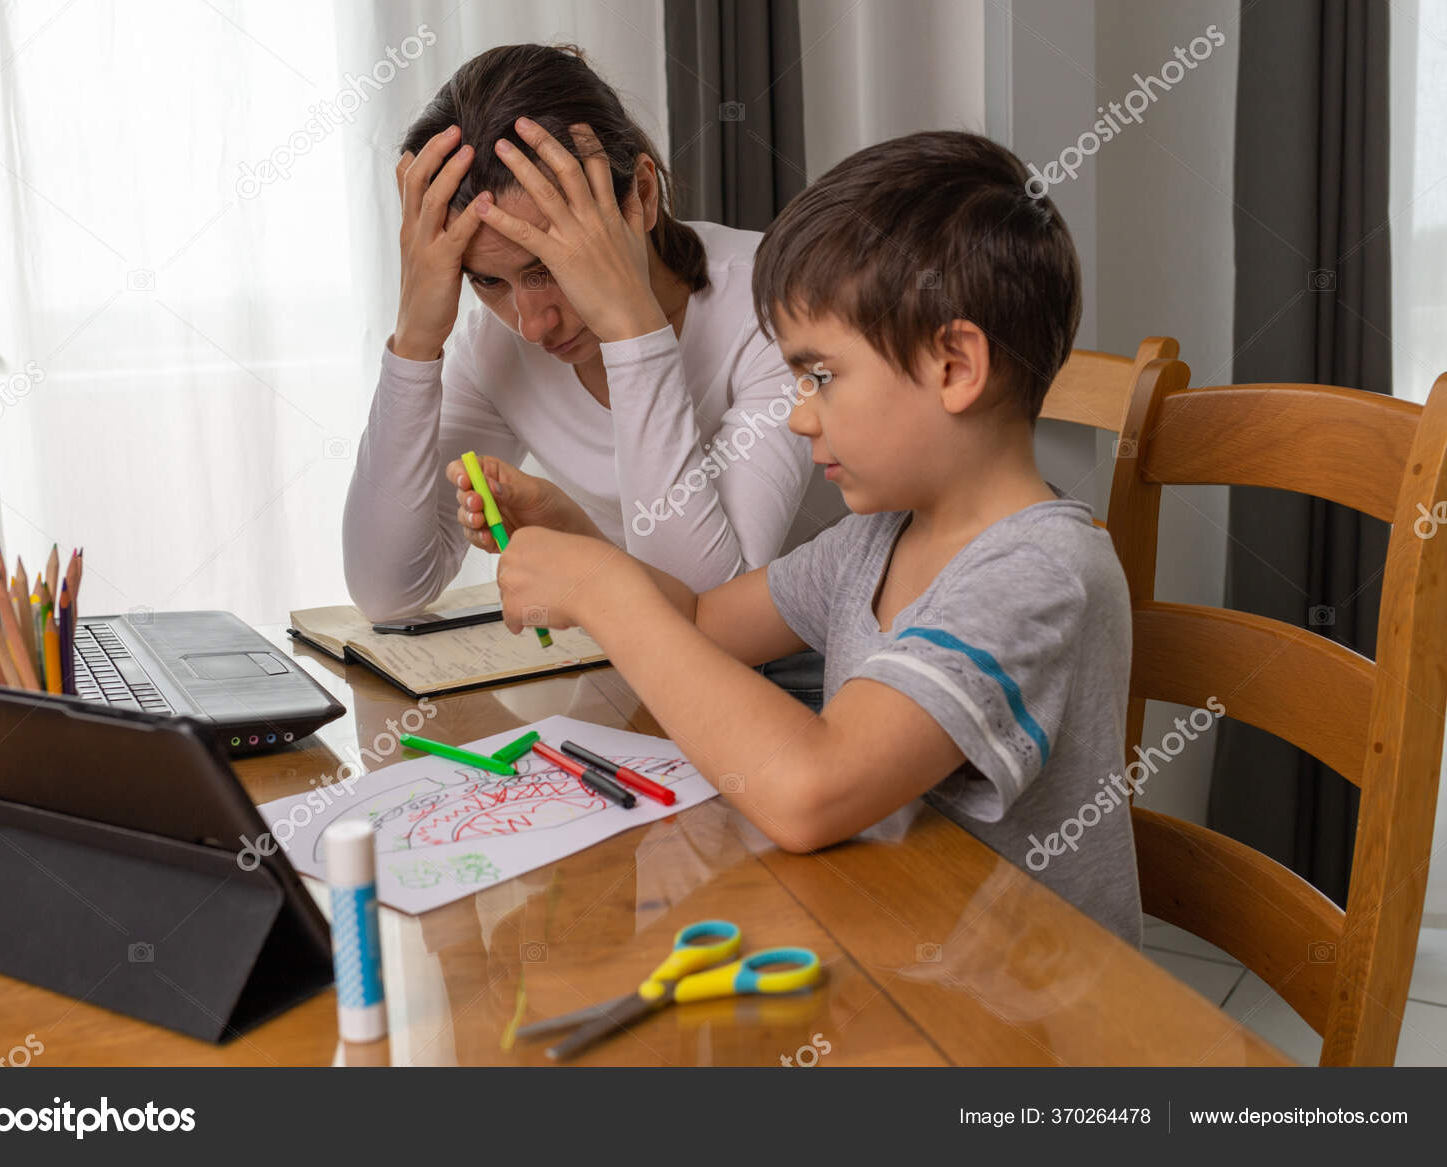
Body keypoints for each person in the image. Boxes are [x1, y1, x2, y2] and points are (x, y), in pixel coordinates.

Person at [490, 131, 1140, 944]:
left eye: (820, 375)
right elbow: (698, 623)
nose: (799, 413)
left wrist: (601, 590)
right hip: (890, 952)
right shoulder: (876, 538)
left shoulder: (1039, 572)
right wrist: (580, 541)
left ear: (955, 366)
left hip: (1021, 1031)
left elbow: (811, 789)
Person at [342, 43, 842, 709]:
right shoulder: (499, 344)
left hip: (829, 668)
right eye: (487, 281)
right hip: (651, 678)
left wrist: (633, 332)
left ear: (640, 193)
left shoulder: (772, 304)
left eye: (547, 267)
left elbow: (714, 616)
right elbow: (387, 587)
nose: (532, 323)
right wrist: (416, 340)